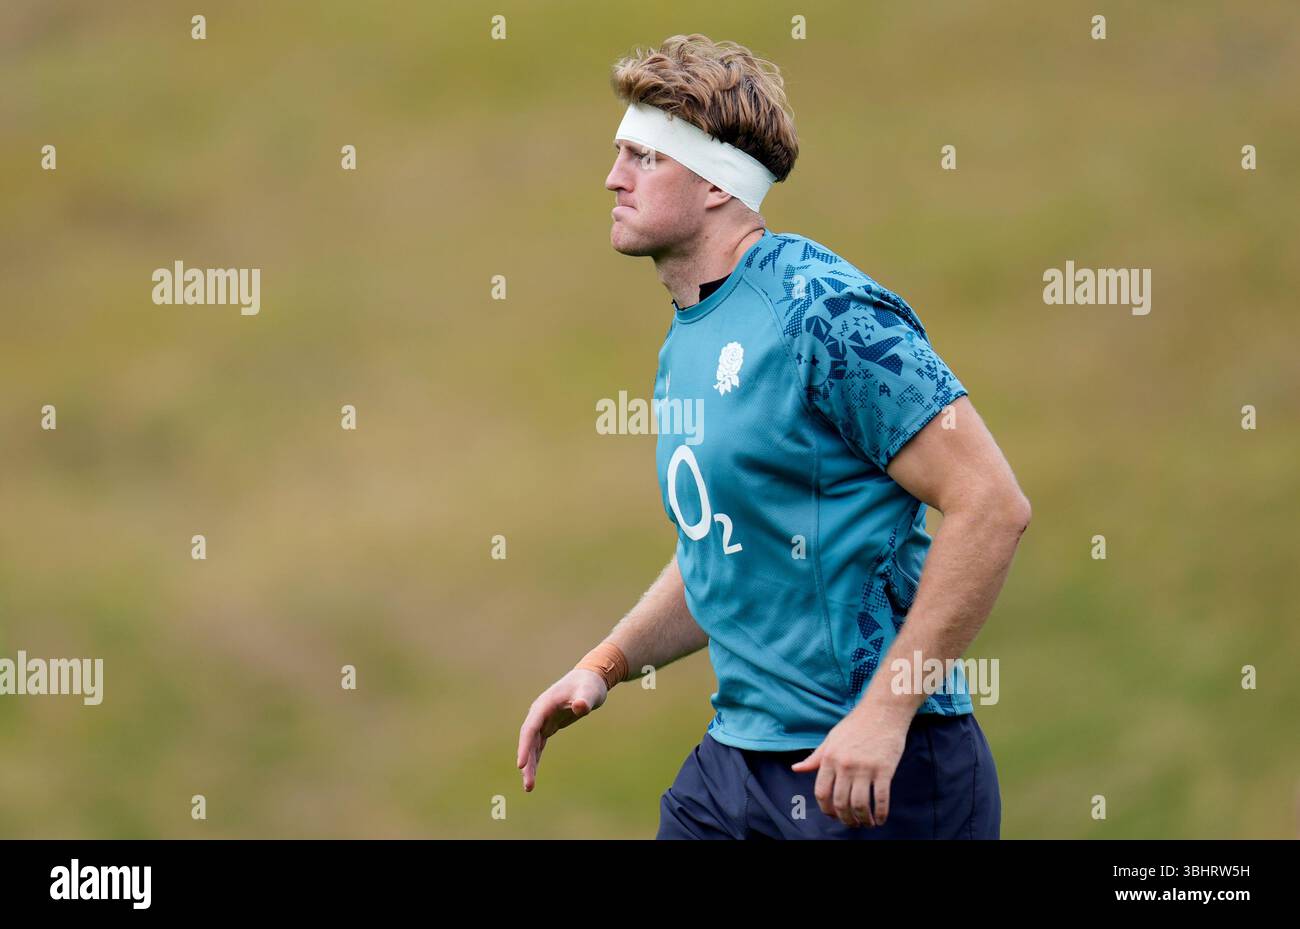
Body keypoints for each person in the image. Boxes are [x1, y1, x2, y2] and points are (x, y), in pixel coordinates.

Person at [516, 34, 1031, 839]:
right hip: (739, 766)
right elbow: (725, 547)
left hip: (873, 777)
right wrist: (604, 665)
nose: (612, 177)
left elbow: (991, 505)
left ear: (717, 185)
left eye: (644, 157)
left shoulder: (824, 313)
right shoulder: (690, 333)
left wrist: (884, 717)